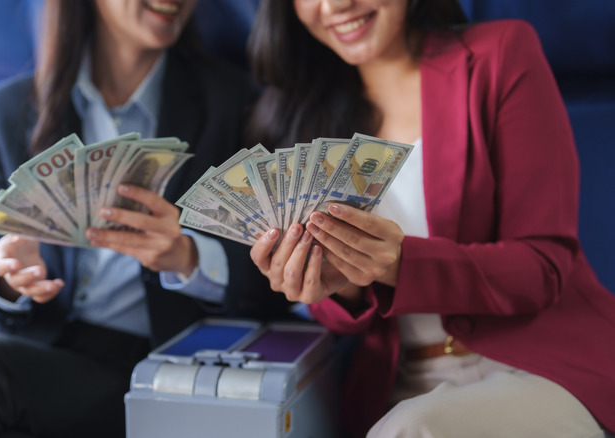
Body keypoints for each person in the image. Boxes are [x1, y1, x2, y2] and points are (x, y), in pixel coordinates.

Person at [0, 1, 290, 437]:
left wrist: (187, 257)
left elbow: (269, 278)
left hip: (147, 361)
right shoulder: (4, 113)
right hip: (32, 343)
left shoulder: (232, 103)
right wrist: (8, 276)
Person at [245, 0, 615, 436]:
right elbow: (343, 312)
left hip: (547, 367)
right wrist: (339, 285)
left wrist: (403, 264)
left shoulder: (499, 55)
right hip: (405, 384)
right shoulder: (298, 117)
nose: (336, 5)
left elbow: (544, 263)